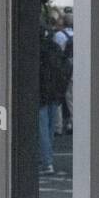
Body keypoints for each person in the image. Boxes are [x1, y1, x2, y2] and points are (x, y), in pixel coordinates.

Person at [37, 22, 71, 174]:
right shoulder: (56, 49)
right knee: (50, 129)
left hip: (40, 93)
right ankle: (47, 157)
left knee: (42, 128)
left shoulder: (35, 51)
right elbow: (65, 69)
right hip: (54, 93)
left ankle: (46, 161)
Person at [53, 11, 74, 134]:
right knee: (72, 97)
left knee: (59, 96)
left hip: (62, 68)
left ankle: (58, 126)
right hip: (77, 67)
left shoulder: (59, 36)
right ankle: (73, 123)